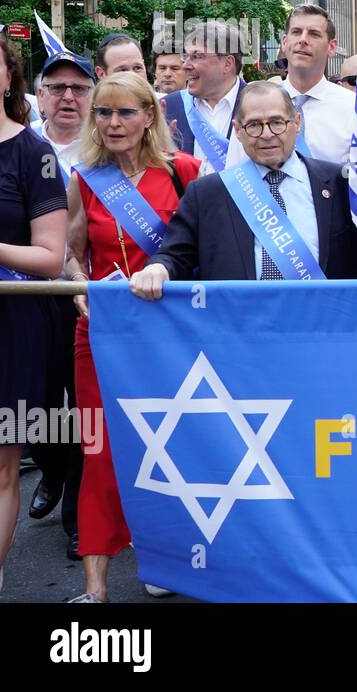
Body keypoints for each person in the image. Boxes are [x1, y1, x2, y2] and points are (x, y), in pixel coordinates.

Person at [63, 73, 202, 602]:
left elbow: (202, 250)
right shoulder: (84, 178)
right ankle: (95, 588)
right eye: (104, 113)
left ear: (150, 116)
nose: (114, 123)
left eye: (126, 113)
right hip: (100, 334)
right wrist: (79, 286)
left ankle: (163, 560)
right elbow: (73, 252)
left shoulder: (184, 173)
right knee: (99, 452)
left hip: (169, 336)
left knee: (169, 447)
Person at [129, 82, 357, 295]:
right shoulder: (207, 193)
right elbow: (175, 255)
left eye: (277, 122)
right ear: (238, 130)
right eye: (254, 125)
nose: (267, 134)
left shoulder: (337, 183)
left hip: (318, 331)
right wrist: (157, 269)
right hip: (239, 333)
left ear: (296, 123)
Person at [0, 40, 70, 594]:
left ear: (9, 79)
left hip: (12, 323)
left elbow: (50, 259)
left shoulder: (34, 154)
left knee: (1, 466)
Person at [27, 52, 93, 556]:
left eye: (79, 87)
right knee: (40, 406)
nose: (68, 96)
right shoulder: (19, 148)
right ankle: (50, 469)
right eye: (58, 87)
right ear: (40, 94)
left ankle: (78, 514)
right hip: (30, 293)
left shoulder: (106, 153)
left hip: (92, 296)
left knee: (86, 406)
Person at [272, 5, 356, 164]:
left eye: (314, 34)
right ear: (284, 42)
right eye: (296, 32)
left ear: (331, 47)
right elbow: (237, 173)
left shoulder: (353, 108)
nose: (303, 40)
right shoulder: (258, 104)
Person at [161, 20, 247, 172]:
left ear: (227, 63)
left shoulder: (258, 106)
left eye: (197, 56)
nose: (185, 65)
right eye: (185, 56)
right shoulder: (167, 107)